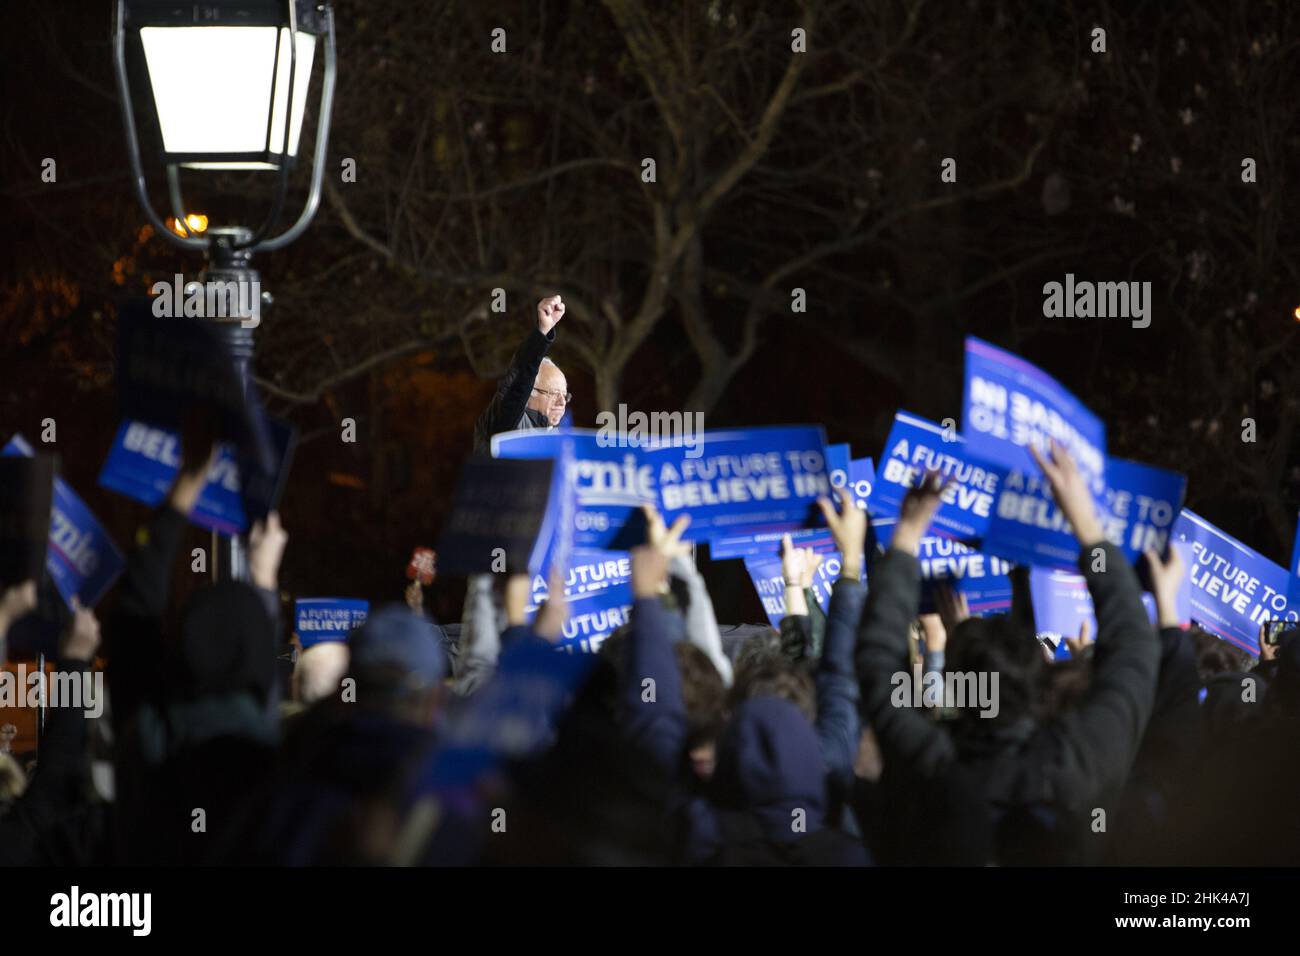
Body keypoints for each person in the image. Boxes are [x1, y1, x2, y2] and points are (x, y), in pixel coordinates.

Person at [854, 441, 1159, 865]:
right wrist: (1086, 526)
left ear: (963, 687)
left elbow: (875, 665)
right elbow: (1137, 648)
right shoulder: (1083, 760)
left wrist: (905, 536)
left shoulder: (930, 763)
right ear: (1040, 678)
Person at [471, 294, 570, 453]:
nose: (562, 402)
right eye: (554, 393)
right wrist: (542, 332)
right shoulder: (507, 422)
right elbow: (519, 381)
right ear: (530, 392)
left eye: (565, 395)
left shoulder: (560, 441)